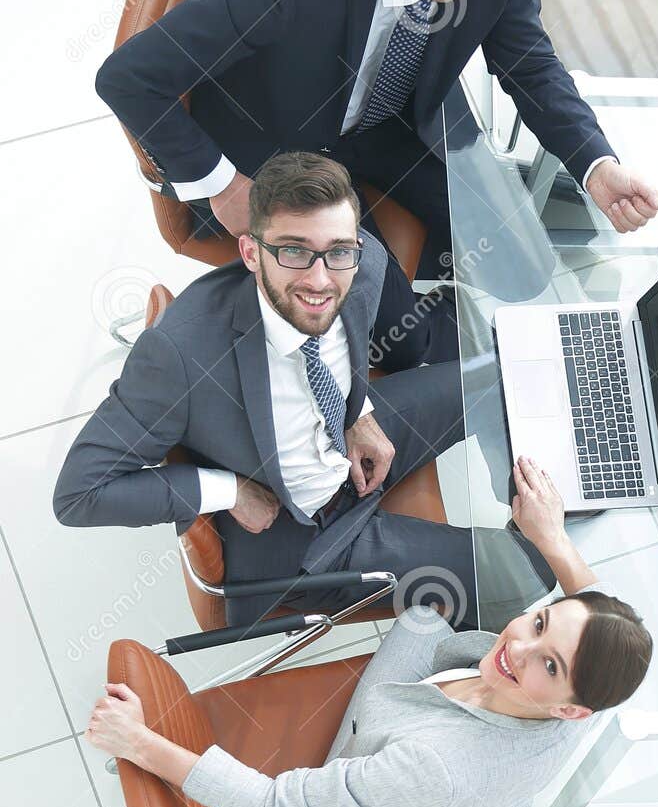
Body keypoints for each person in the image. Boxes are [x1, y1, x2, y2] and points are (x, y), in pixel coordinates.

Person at [94, 0, 658, 329]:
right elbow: (127, 77)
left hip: (382, 123)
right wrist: (223, 187)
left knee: (523, 271)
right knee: (404, 340)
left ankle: (443, 315)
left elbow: (527, 61)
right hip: (277, 155)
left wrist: (595, 163)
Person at [85, 458, 653, 807]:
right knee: (423, 619)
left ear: (572, 712)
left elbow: (271, 804)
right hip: (463, 793)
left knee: (424, 619)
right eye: (539, 621)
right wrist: (552, 538)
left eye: (548, 666)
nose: (519, 648)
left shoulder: (436, 766)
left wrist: (139, 742)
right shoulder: (589, 686)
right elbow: (592, 608)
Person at [53, 150, 544, 629]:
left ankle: (577, 486)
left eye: (337, 252)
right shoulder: (179, 356)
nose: (320, 280)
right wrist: (230, 491)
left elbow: (339, 350)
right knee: (522, 574)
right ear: (250, 251)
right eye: (292, 251)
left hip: (347, 442)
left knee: (511, 382)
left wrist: (359, 412)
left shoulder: (363, 263)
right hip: (302, 536)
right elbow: (79, 494)